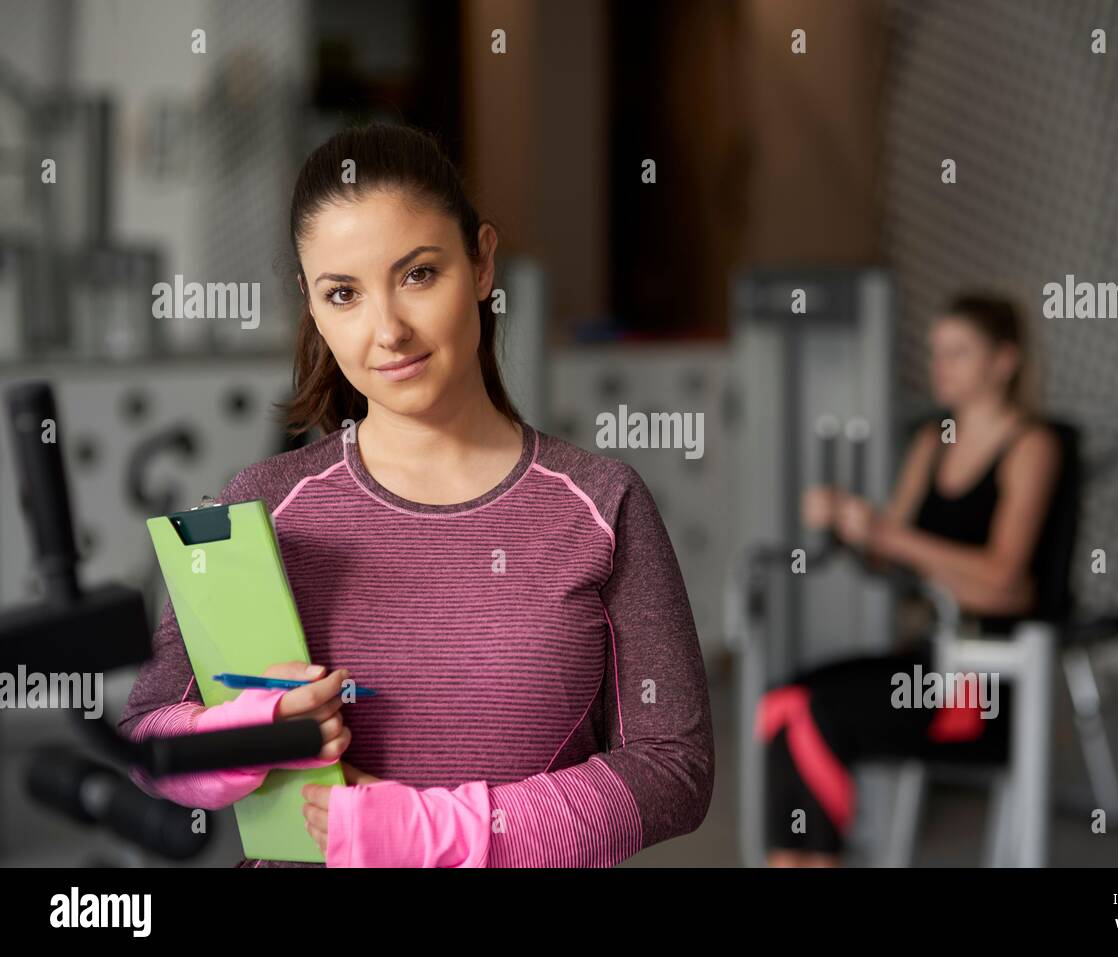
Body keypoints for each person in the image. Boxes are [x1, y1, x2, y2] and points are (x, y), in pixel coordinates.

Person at [117, 123, 714, 868]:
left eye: (418, 274)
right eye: (344, 293)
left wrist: (435, 832)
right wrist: (253, 728)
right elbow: (146, 740)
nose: (388, 330)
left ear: (482, 260)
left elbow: (673, 767)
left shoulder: (601, 503)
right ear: (312, 303)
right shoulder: (264, 507)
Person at [760, 293, 1062, 867]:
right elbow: (889, 557)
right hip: (932, 657)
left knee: (820, 714)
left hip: (987, 689)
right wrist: (851, 523)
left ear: (1004, 361)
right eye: (935, 353)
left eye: (957, 353)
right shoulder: (934, 440)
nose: (939, 367)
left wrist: (885, 535)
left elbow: (1005, 584)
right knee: (784, 701)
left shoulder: (1033, 446)